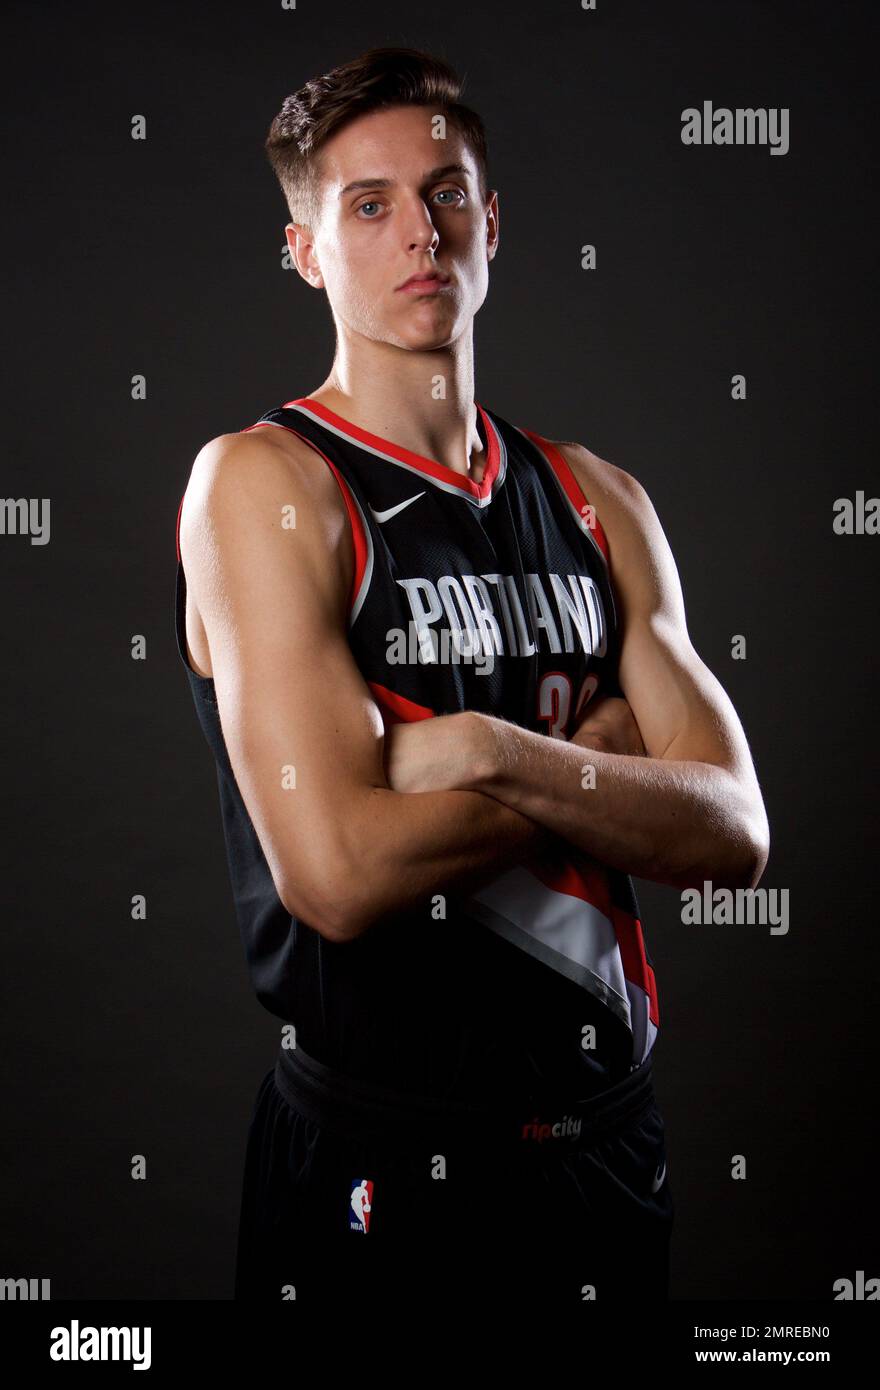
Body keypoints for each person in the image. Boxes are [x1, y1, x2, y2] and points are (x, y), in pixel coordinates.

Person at [173, 46, 769, 1306]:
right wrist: (611, 757)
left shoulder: (598, 498)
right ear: (307, 251)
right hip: (380, 1161)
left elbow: (733, 827)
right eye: (368, 205)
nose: (419, 235)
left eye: (446, 193)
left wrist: (496, 749)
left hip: (605, 1146)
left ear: (490, 223)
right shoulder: (267, 487)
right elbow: (336, 872)